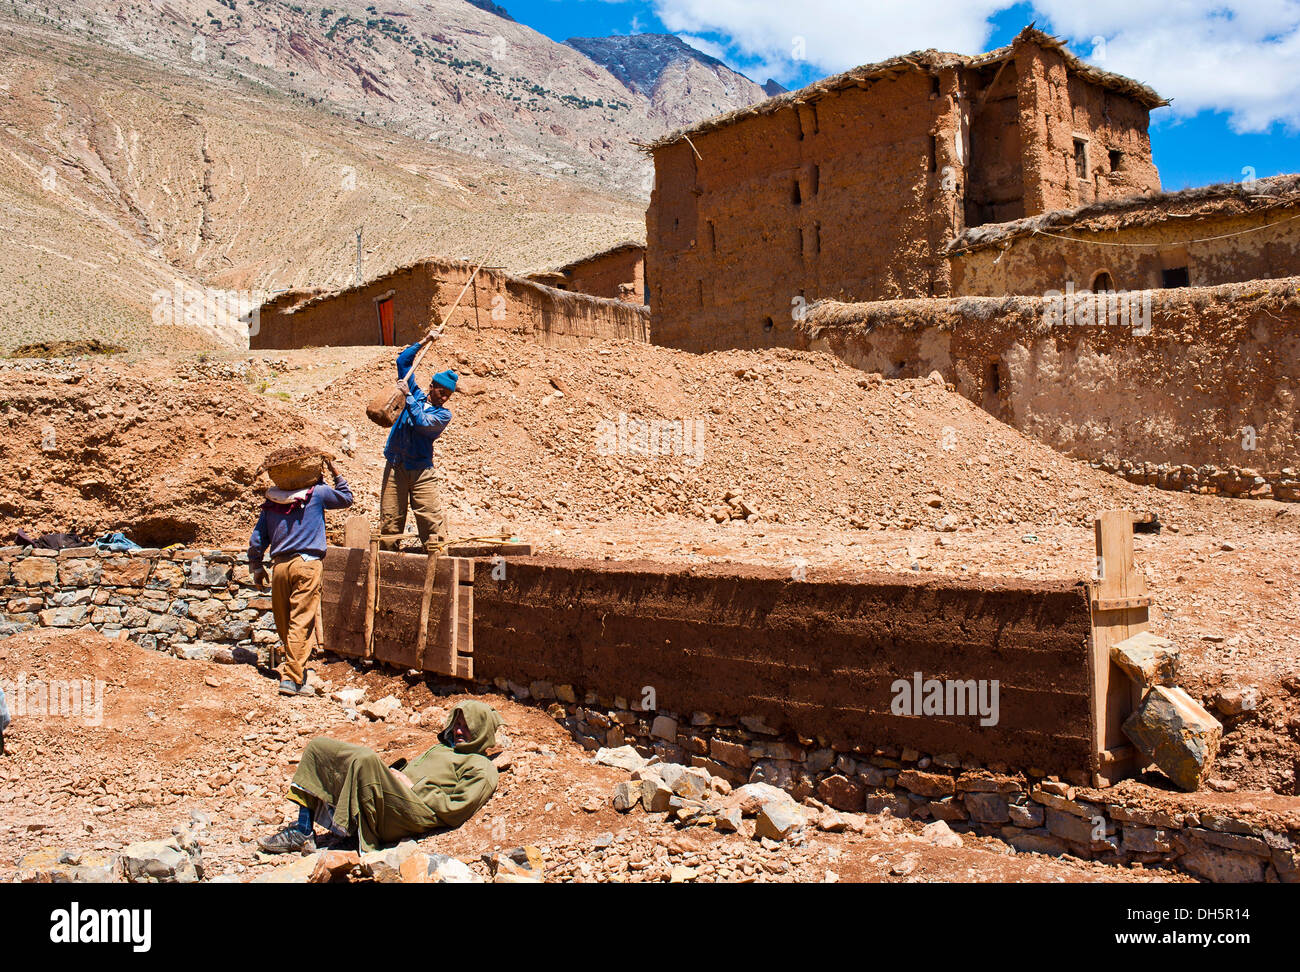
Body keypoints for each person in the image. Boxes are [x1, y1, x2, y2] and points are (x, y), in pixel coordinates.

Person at [258, 700, 503, 855]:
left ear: (481, 731)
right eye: (457, 723)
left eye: (467, 726)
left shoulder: (482, 768)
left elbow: (457, 808)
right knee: (318, 746)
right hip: (395, 798)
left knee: (365, 758)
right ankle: (303, 830)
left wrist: (413, 786)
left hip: (413, 813)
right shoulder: (444, 748)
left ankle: (349, 830)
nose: (458, 730)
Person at [248, 456, 354, 696]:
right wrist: (336, 472)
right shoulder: (317, 493)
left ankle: (297, 675)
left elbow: (258, 537)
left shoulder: (272, 499)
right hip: (307, 565)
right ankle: (292, 678)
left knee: (284, 621)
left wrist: (255, 565)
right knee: (301, 621)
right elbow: (346, 498)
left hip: (280, 567)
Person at [380, 334, 458, 553]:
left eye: (448, 396)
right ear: (432, 386)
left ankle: (439, 565)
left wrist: (409, 397)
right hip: (396, 465)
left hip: (422, 471)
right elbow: (403, 362)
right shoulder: (414, 392)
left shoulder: (443, 415)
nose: (444, 398)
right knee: (389, 522)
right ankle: (387, 566)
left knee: (431, 522)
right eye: (442, 392)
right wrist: (424, 341)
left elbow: (422, 423)